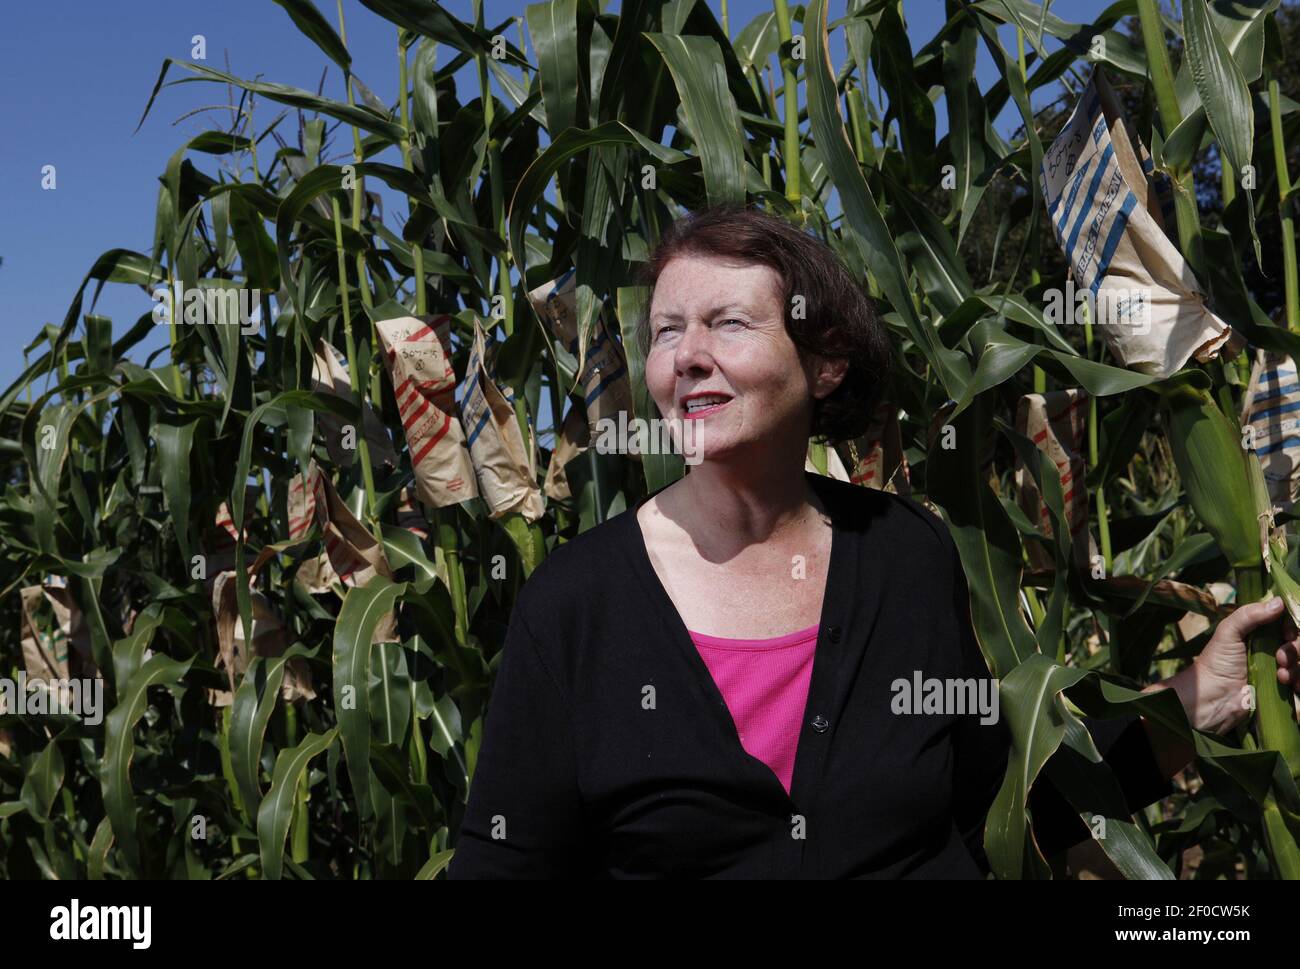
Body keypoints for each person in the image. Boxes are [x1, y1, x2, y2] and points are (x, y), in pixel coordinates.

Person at [447, 203, 1300, 879]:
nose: (688, 357)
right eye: (667, 331)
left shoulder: (907, 558)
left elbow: (1011, 801)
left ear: (826, 363)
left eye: (728, 324)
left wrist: (1198, 699)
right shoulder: (574, 607)